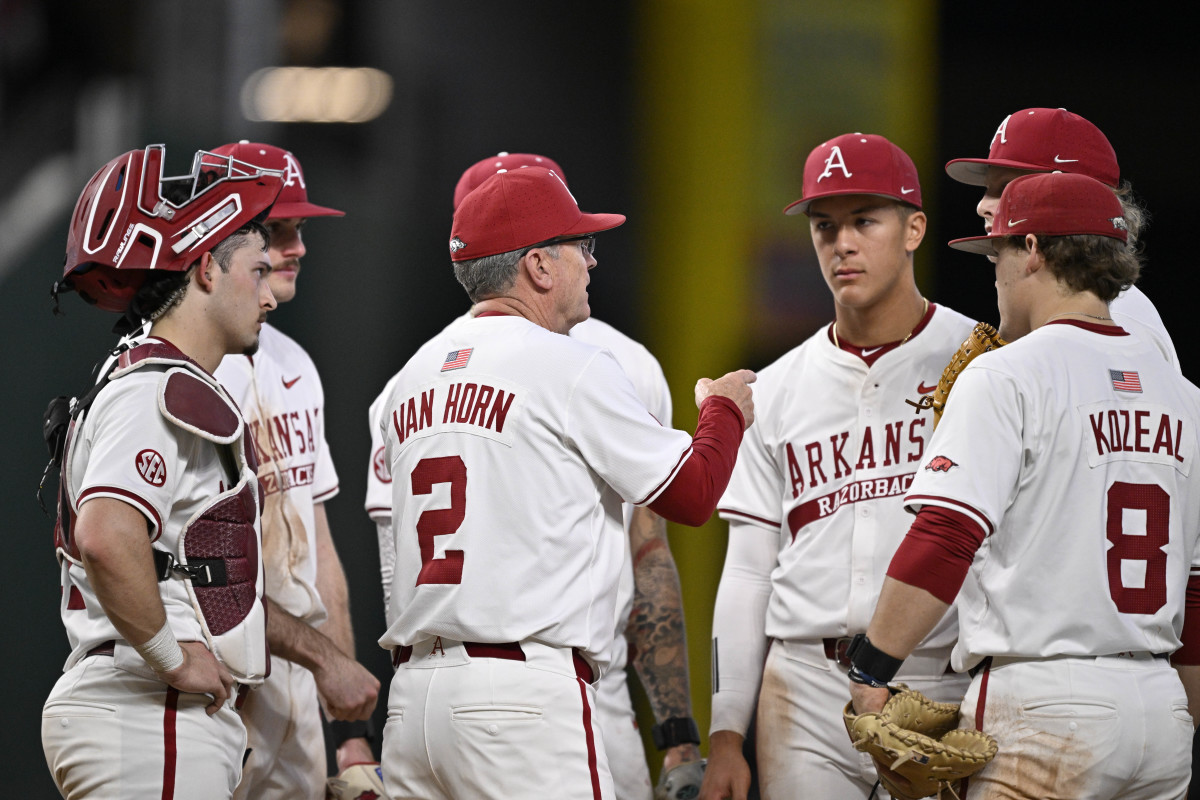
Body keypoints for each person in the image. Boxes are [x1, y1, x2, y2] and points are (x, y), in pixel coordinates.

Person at [376, 165, 755, 800]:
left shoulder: (409, 379)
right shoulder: (569, 365)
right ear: (539, 267)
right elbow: (692, 495)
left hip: (415, 702)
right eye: (581, 246)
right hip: (520, 702)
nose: (591, 262)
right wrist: (723, 409)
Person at [847, 171, 1200, 799]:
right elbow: (1194, 591)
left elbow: (945, 537)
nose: (996, 272)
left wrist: (872, 668)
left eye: (999, 253)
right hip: (1160, 707)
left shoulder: (1007, 373)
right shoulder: (1185, 396)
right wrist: (1177, 721)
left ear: (1032, 249)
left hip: (1046, 701)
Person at [700, 133, 976, 800]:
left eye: (863, 221)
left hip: (938, 675)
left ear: (914, 229)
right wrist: (725, 734)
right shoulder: (774, 387)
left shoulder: (978, 366)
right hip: (805, 683)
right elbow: (746, 569)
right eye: (825, 226)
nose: (841, 244)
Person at [41, 145, 283, 798]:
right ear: (206, 267)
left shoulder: (138, 374)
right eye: (257, 271)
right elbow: (105, 535)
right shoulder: (154, 385)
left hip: (137, 708)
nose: (269, 295)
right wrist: (173, 661)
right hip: (149, 712)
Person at [208, 141, 380, 800]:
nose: (299, 247)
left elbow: (319, 555)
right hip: (210, 679)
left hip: (299, 684)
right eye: (279, 230)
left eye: (299, 229)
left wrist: (351, 734)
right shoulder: (179, 366)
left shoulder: (295, 365)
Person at [944, 106, 1179, 366]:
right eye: (989, 189)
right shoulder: (1065, 302)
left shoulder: (1117, 315)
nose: (982, 206)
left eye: (1007, 189)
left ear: (1077, 196)